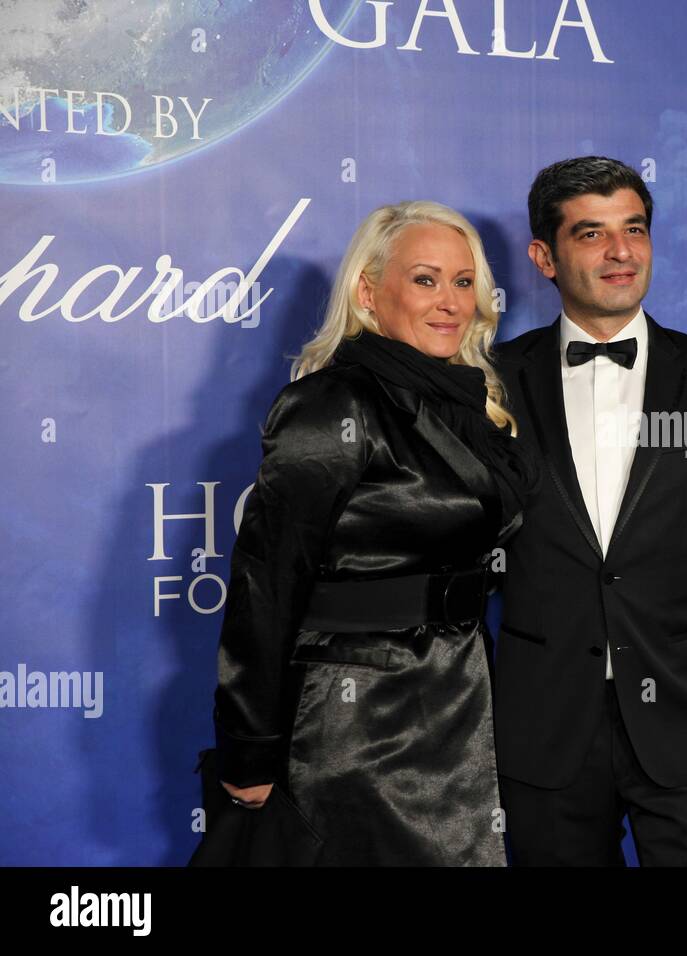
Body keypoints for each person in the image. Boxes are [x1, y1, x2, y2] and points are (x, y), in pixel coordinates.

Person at [202, 200, 538, 866]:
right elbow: (267, 581)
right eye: (424, 279)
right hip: (358, 722)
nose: (450, 301)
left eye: (463, 281)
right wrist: (250, 746)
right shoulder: (333, 404)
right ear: (367, 292)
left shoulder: (468, 403)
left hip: (457, 697)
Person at [491, 156, 687, 866]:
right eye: (591, 234)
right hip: (541, 729)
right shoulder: (493, 381)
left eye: (633, 229)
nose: (621, 251)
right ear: (544, 256)